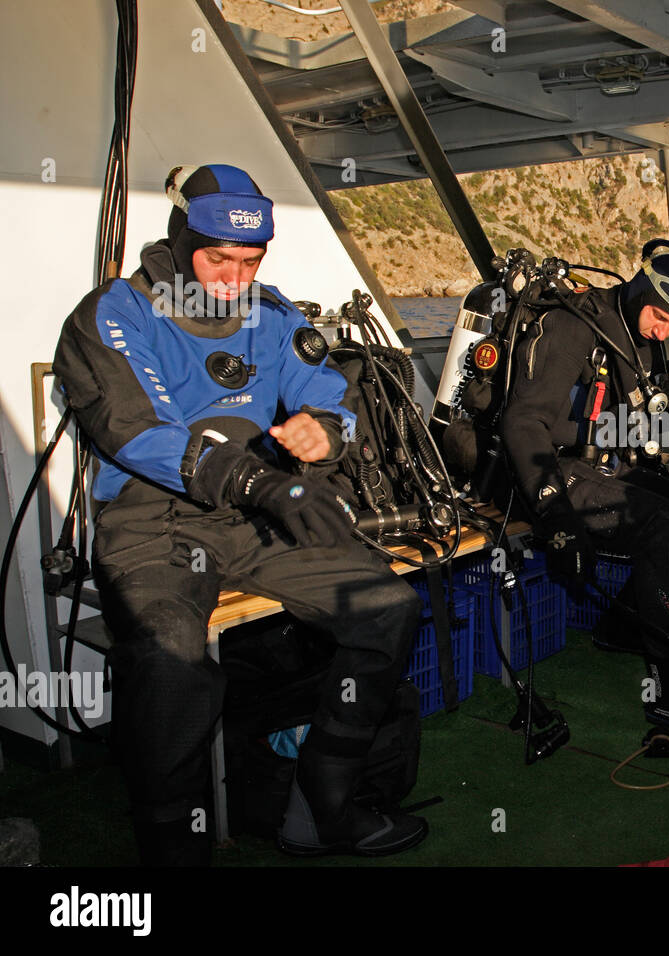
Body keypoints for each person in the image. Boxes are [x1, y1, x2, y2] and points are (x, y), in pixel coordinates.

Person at [52, 163, 427, 864]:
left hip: (255, 515)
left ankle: (322, 801)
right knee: (171, 662)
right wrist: (257, 481)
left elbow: (324, 390)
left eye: (250, 260)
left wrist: (324, 428)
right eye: (217, 257)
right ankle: (173, 849)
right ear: (181, 241)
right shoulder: (112, 316)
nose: (233, 276)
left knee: (387, 608)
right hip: (152, 523)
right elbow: (134, 431)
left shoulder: (273, 313)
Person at [499, 239, 669, 740]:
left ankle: (619, 627)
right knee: (664, 526)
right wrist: (558, 518)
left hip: (598, 461)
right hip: (542, 468)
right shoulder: (574, 326)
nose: (666, 329)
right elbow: (522, 424)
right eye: (662, 316)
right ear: (638, 289)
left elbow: (627, 413)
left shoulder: (638, 333)